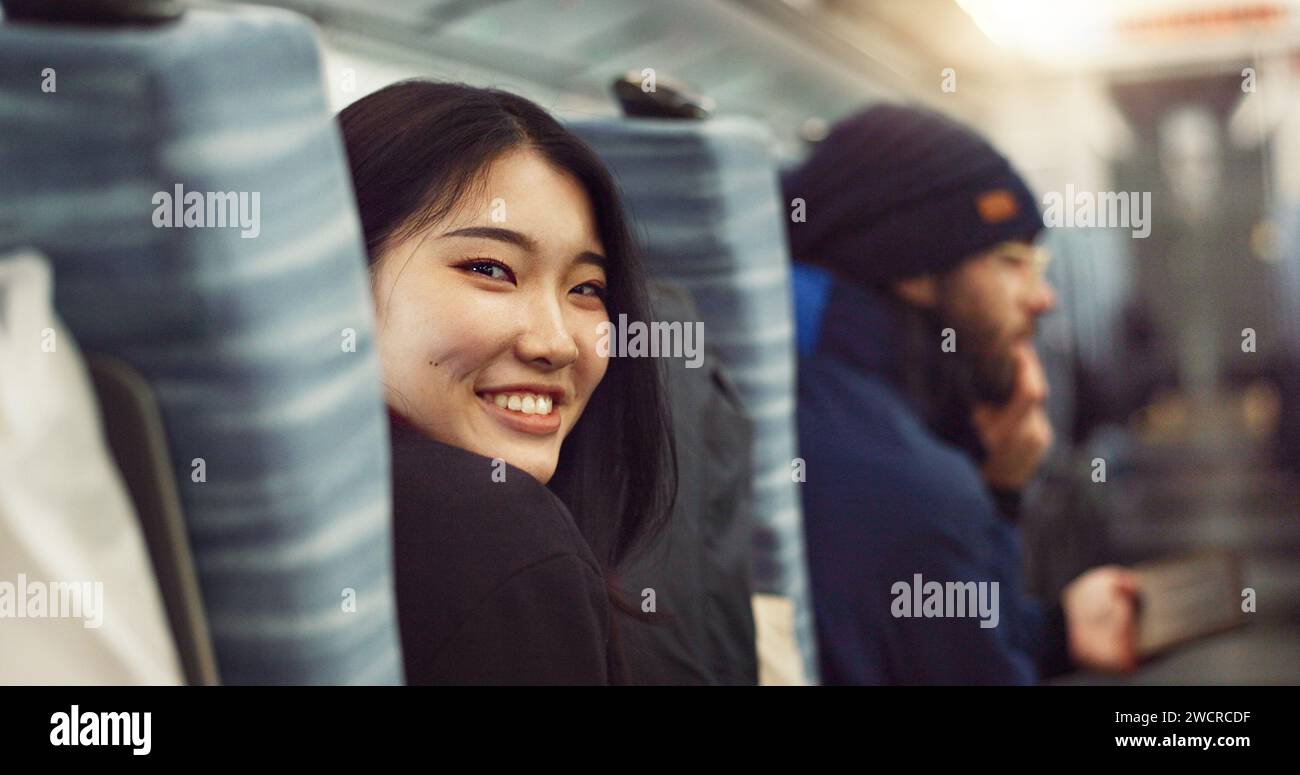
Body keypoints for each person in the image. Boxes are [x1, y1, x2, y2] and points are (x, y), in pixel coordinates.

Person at [784, 103, 1139, 684]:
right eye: (1011, 262)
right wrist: (994, 502)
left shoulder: (828, 398)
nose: (1043, 297)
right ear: (912, 265)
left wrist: (1052, 633)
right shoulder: (913, 487)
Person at [337, 81, 675, 684]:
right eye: (490, 269)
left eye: (586, 290)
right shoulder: (494, 533)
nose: (555, 342)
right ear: (341, 278)